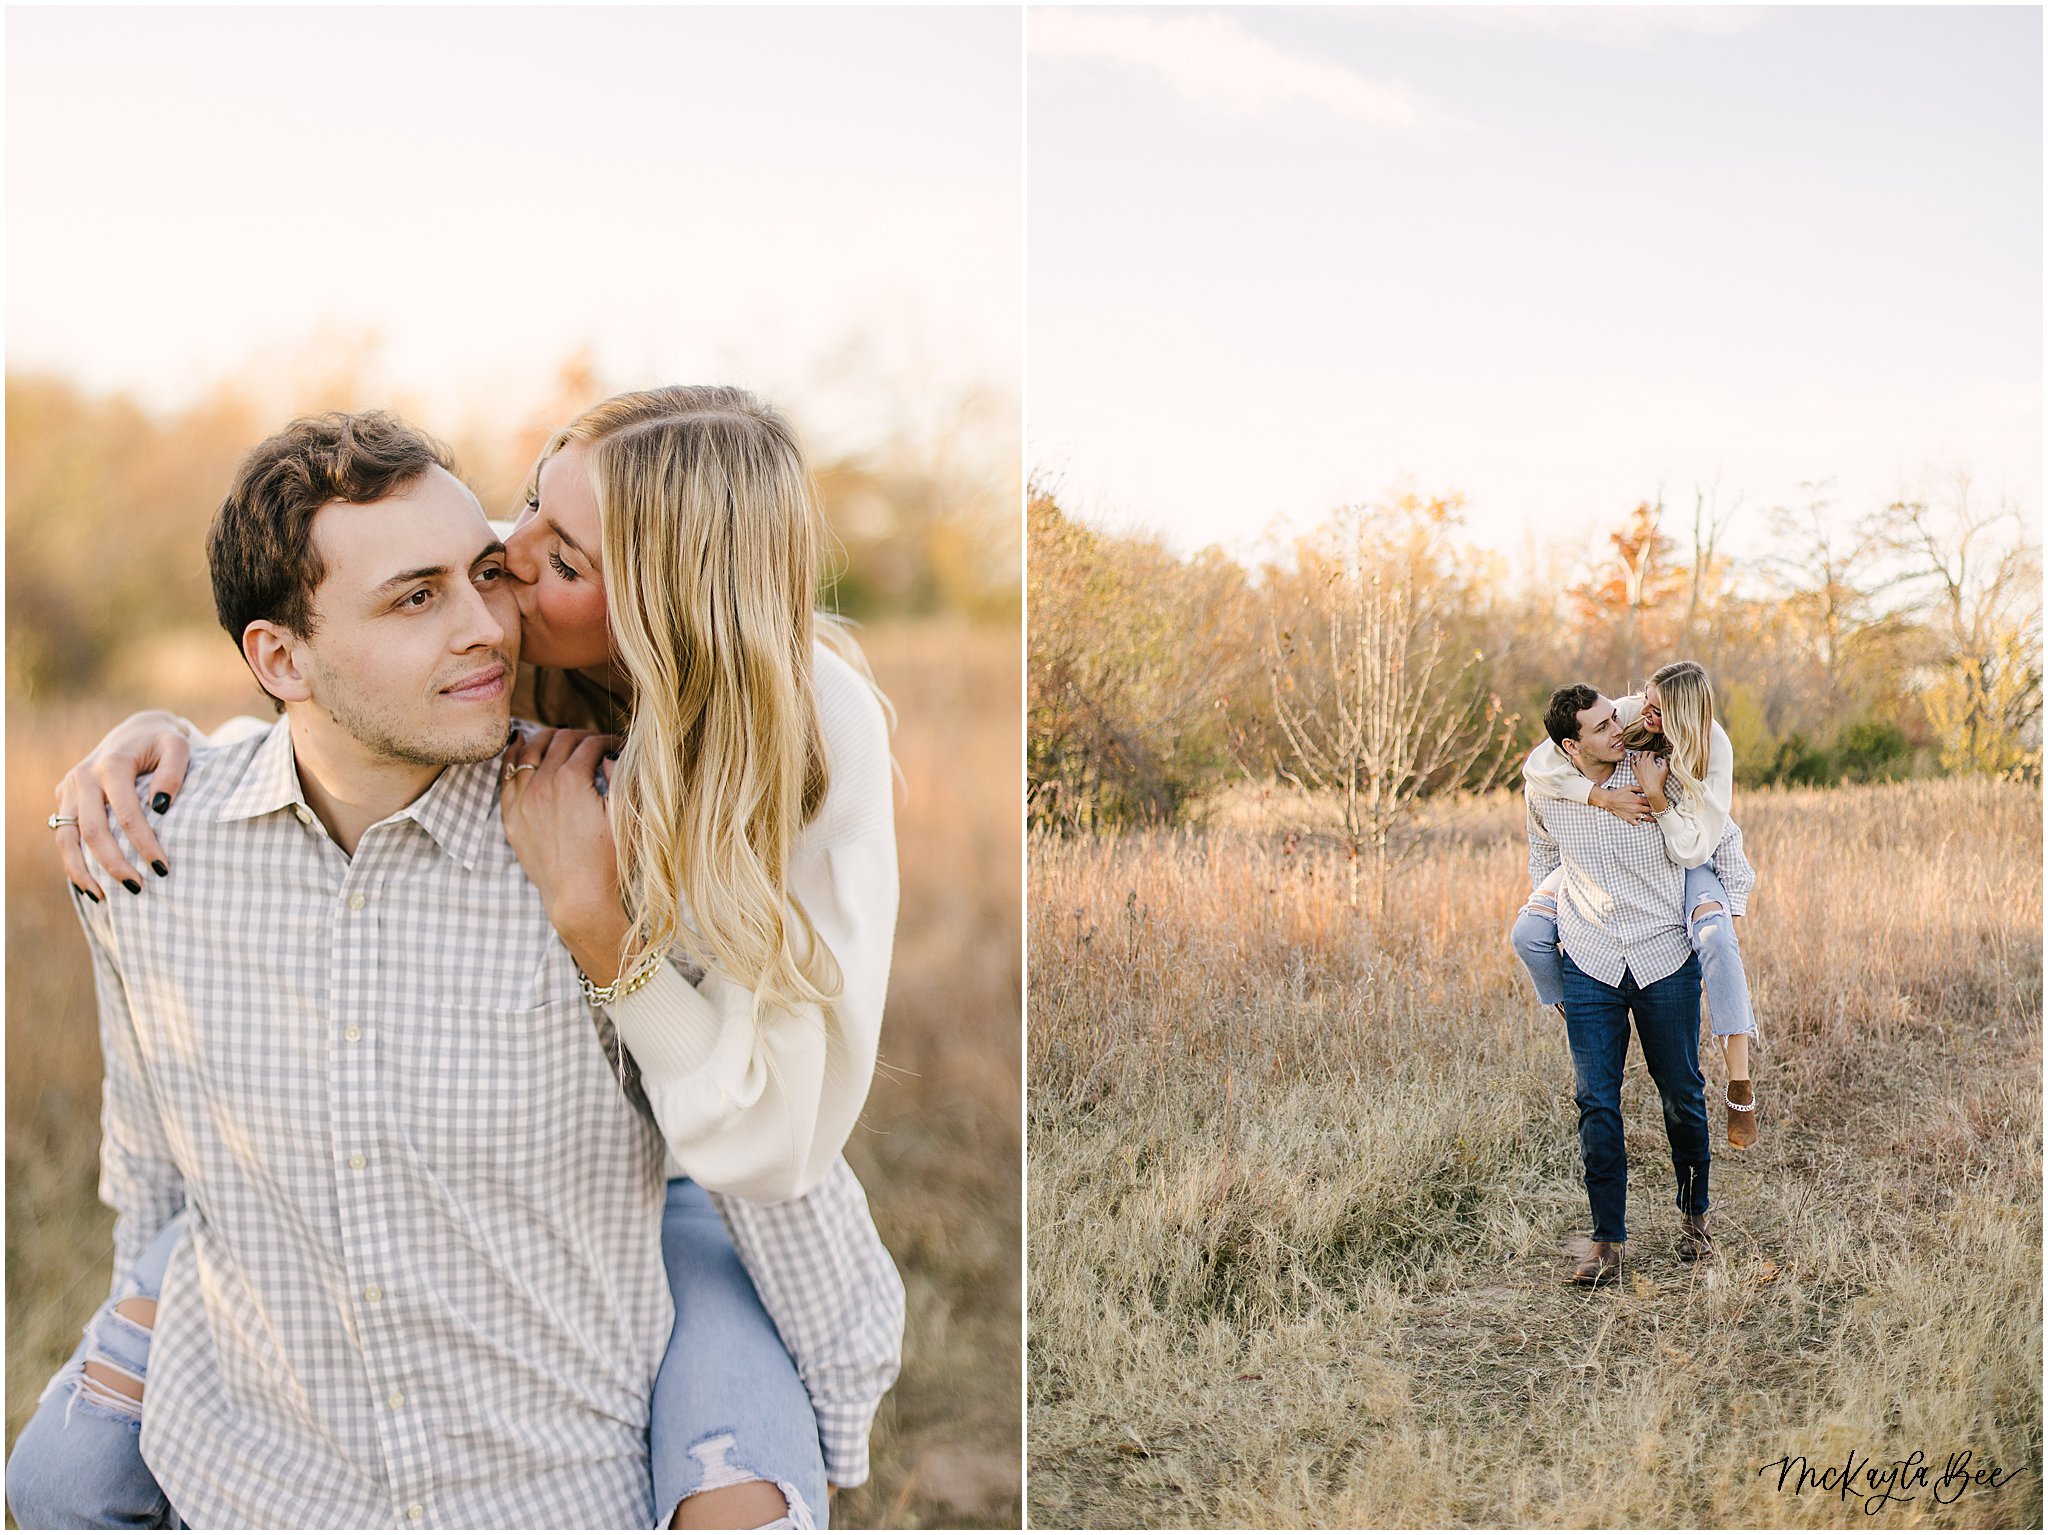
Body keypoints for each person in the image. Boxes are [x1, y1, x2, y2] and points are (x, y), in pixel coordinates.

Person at [13, 406, 902, 1529]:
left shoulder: (723, 775)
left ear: (653, 611)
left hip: (668, 1223)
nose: (497, 610)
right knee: (49, 1485)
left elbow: (776, 1150)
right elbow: (150, 1139)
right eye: (441, 583)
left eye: (524, 569)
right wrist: (164, 739)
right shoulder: (157, 849)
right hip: (276, 1438)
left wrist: (830, 1391)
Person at [1524, 685, 1756, 1286]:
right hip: (1591, 959)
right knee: (1594, 1099)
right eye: (1602, 728)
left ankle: (1695, 1218)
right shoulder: (1548, 785)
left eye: (1615, 717)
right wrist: (1554, 922)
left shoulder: (1658, 762)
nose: (1618, 729)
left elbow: (1719, 835)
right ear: (1571, 746)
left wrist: (1729, 910)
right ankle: (1606, 1241)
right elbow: (1542, 856)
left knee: (1680, 1091)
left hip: (1662, 957)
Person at [1510, 660, 1761, 1148]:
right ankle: (1579, 1007)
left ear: (1680, 718)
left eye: (1654, 710)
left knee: (1716, 939)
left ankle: (1740, 1085)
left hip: (1688, 858)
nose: (1638, 714)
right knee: (1527, 934)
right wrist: (1600, 799)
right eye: (1641, 702)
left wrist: (1732, 899)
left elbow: (1717, 837)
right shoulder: (1629, 718)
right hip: (1594, 862)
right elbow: (1538, 768)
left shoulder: (1710, 753)